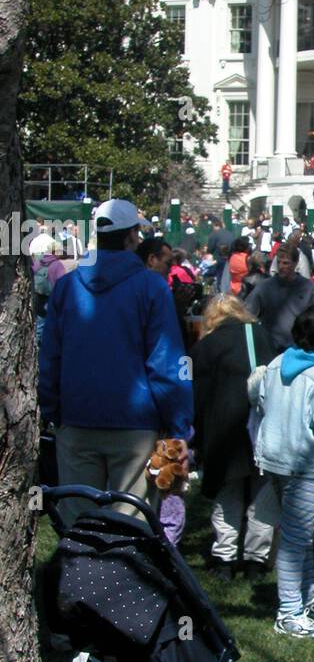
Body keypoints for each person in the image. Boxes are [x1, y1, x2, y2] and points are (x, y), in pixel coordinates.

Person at [38, 198, 192, 528]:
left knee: (78, 525)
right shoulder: (151, 287)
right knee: (131, 527)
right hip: (134, 425)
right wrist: (179, 426)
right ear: (132, 237)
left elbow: (49, 356)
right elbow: (168, 363)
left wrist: (52, 411)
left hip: (77, 419)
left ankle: (78, 578)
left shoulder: (66, 287)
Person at [253, 303, 314, 638]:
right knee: (295, 540)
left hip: (274, 459)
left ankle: (306, 594)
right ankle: (289, 612)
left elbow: (261, 401)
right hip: (305, 467)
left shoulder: (278, 363)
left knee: (298, 532)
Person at [192, 294, 278, 580]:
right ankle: (256, 558)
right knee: (261, 494)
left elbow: (197, 396)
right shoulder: (261, 335)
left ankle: (224, 556)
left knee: (227, 493)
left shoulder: (206, 347)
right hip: (261, 425)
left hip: (222, 429)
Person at [243, 242, 314, 353]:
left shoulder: (309, 289)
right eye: (278, 262)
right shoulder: (264, 287)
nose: (281, 267)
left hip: (299, 351)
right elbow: (247, 313)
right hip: (271, 350)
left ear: (295, 263)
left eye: (286, 263)